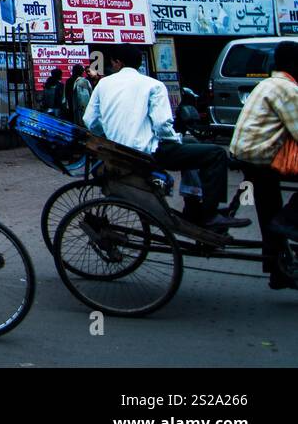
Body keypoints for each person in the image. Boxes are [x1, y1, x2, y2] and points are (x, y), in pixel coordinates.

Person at [84, 44, 246, 230]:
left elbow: (90, 120)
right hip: (147, 154)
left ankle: (193, 206)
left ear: (117, 62)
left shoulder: (103, 84)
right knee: (216, 153)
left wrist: (107, 137)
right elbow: (162, 125)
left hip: (117, 151)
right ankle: (209, 213)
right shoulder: (153, 85)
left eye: (112, 62)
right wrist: (173, 139)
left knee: (190, 148)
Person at [229, 40, 298, 289]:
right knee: (276, 215)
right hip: (259, 156)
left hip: (247, 153)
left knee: (269, 210)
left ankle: (278, 271)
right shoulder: (287, 89)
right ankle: (288, 222)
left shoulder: (268, 83)